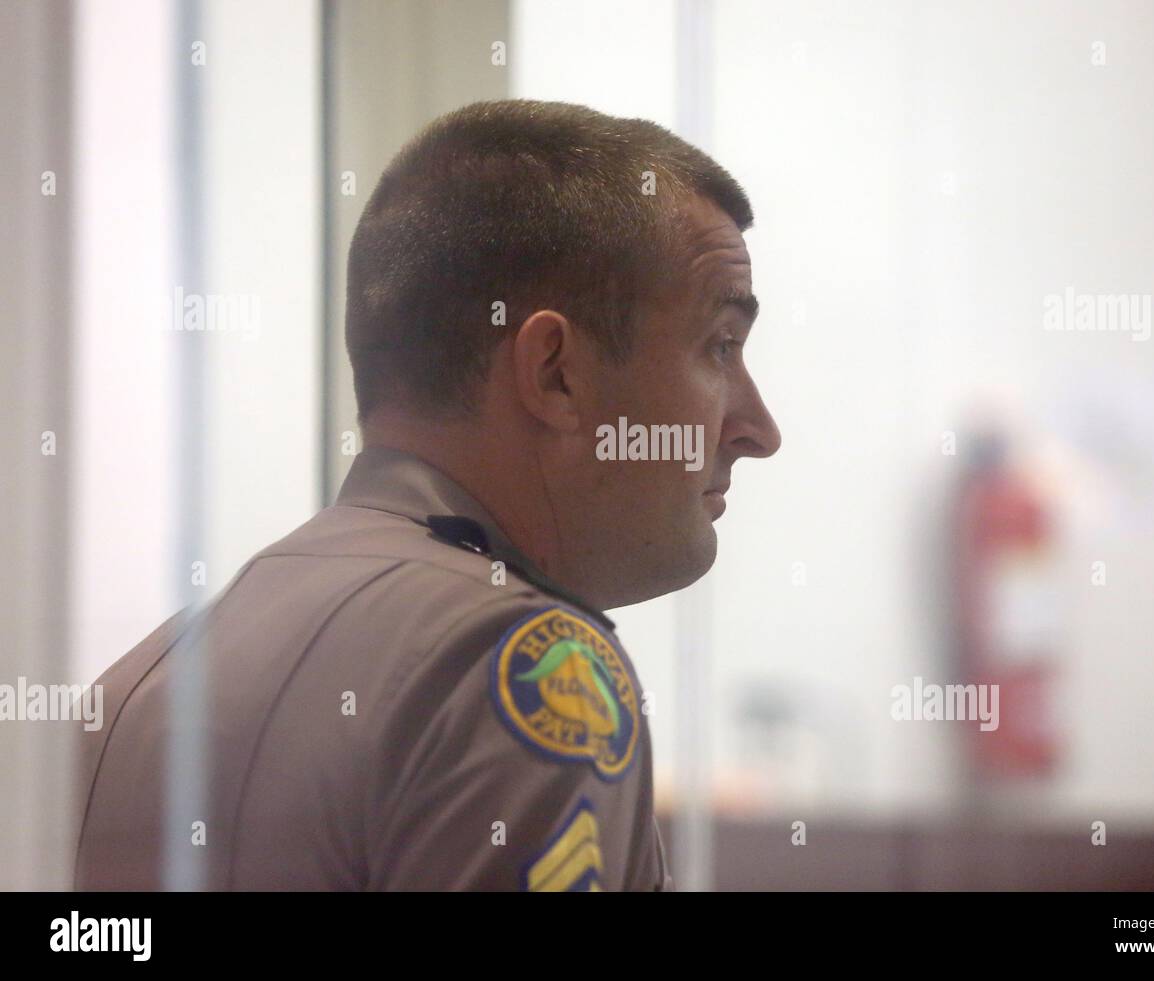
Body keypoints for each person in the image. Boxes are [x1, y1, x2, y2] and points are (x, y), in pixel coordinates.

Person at [73, 99, 781, 891]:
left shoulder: (138, 685)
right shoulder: (531, 673)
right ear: (554, 372)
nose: (758, 428)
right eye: (721, 346)